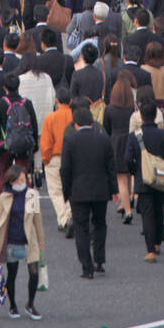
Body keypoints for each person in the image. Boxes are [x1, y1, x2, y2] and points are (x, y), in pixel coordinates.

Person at [60, 101, 117, 278]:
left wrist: (66, 191)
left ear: (76, 124)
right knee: (100, 224)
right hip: (100, 190)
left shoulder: (70, 140)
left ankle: (87, 266)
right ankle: (99, 260)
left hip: (78, 191)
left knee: (81, 228)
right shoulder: (104, 139)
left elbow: (65, 169)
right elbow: (111, 167)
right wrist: (113, 189)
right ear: (92, 122)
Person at [0, 164, 46, 320]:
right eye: (18, 180)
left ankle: (30, 304)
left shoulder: (32, 195)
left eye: (24, 179)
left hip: (28, 241)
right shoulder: (5, 196)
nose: (22, 183)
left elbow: (38, 221)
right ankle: (12, 305)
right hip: (11, 241)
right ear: (11, 182)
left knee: (34, 273)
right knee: (12, 274)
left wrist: (41, 243)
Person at [125, 96, 164, 262]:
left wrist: (135, 171)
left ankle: (151, 249)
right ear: (155, 116)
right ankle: (158, 242)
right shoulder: (163, 135)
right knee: (159, 210)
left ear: (141, 116)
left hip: (142, 179)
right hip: (159, 178)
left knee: (147, 214)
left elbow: (127, 158)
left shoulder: (134, 136)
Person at [40, 85, 74, 237]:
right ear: (71, 101)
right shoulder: (76, 116)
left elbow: (46, 143)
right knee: (71, 189)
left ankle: (63, 218)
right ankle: (71, 214)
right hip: (73, 158)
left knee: (56, 190)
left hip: (54, 157)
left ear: (57, 101)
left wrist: (45, 159)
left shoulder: (50, 118)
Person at [103, 70, 136, 222]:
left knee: (121, 178)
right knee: (129, 175)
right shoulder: (132, 109)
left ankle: (127, 210)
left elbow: (106, 128)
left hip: (116, 142)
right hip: (131, 141)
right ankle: (127, 200)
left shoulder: (109, 109)